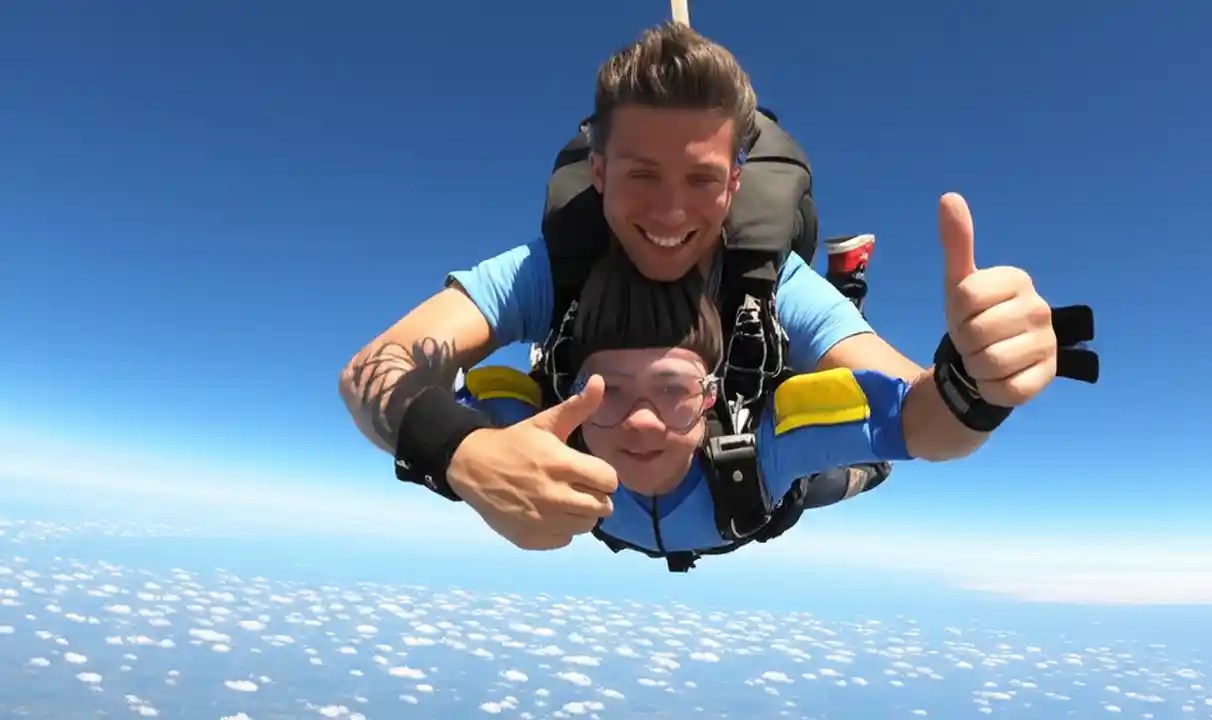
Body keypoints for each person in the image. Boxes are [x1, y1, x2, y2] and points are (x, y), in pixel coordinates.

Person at [338, 22, 1096, 553]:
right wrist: (467, 455)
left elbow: (920, 417)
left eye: (701, 180)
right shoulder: (551, 269)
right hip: (635, 477)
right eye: (641, 175)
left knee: (855, 466)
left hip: (753, 475)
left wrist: (975, 382)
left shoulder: (769, 279)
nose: (670, 214)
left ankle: (846, 293)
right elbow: (374, 367)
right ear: (597, 173)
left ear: (735, 185)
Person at [454, 245, 914, 571]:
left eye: (672, 391)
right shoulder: (545, 438)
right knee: (864, 459)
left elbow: (900, 407)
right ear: (573, 393)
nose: (641, 421)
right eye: (608, 391)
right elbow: (433, 394)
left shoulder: (771, 451)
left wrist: (955, 386)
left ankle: (845, 293)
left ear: (710, 395)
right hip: (743, 512)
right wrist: (459, 456)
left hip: (752, 496)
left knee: (870, 463)